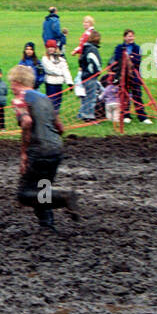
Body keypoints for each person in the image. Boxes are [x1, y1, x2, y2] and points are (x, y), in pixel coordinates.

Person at [10, 64, 79, 231]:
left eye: (11, 83)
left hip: (38, 149)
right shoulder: (45, 98)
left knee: (24, 195)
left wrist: (25, 153)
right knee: (42, 188)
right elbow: (60, 127)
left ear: (16, 82)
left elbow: (26, 122)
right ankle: (47, 226)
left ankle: (65, 197)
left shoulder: (20, 98)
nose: (10, 87)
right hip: (55, 148)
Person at [107, 29, 151, 124]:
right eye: (128, 36)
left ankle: (142, 116)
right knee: (125, 95)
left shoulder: (137, 48)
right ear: (124, 37)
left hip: (135, 76)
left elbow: (137, 60)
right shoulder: (119, 47)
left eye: (132, 36)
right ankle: (126, 115)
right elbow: (118, 58)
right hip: (123, 75)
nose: (130, 38)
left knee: (137, 96)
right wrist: (128, 58)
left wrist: (128, 58)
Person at [76, 29, 103, 122]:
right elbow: (94, 61)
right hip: (90, 76)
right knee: (91, 97)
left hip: (84, 75)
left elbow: (80, 60)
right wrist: (98, 70)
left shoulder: (85, 48)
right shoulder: (92, 49)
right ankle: (89, 116)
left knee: (86, 97)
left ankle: (82, 114)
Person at [40, 40, 72, 112]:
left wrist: (69, 82)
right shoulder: (45, 59)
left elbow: (66, 70)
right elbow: (50, 69)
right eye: (49, 47)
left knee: (58, 101)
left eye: (52, 47)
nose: (51, 49)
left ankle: (55, 115)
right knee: (51, 101)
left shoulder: (61, 59)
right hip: (50, 83)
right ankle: (51, 116)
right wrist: (61, 72)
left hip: (59, 83)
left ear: (55, 48)